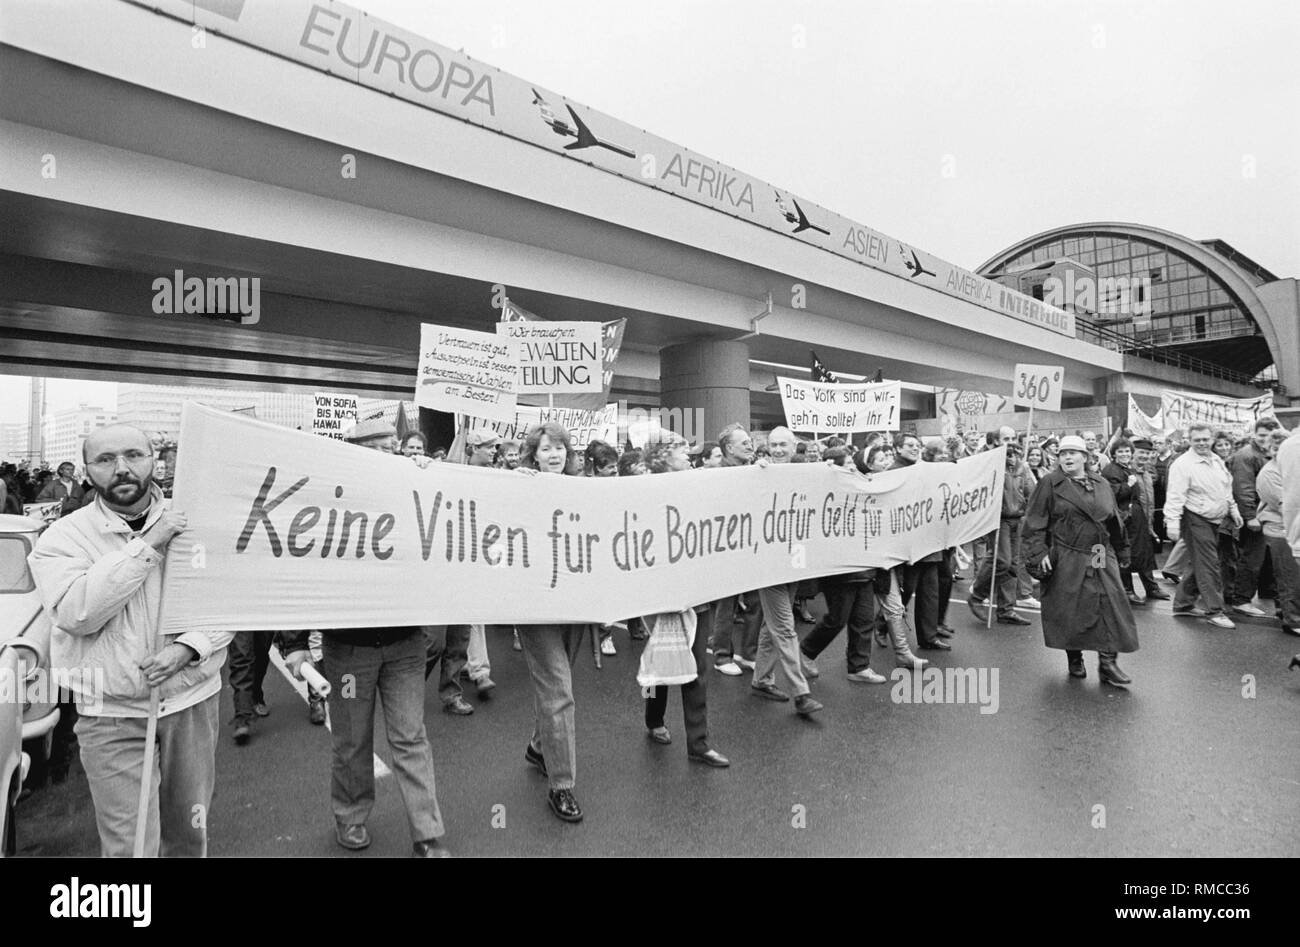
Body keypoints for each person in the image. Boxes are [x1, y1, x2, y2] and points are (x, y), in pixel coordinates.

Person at [28, 424, 227, 857]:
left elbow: (230, 601)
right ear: (86, 470)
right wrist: (148, 545)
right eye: (105, 460)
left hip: (190, 703)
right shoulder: (62, 537)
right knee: (129, 845)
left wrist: (190, 647)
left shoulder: (195, 521)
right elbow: (76, 612)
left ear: (153, 459)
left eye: (134, 455)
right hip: (111, 714)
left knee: (189, 834)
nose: (122, 468)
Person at [281, 417, 449, 856]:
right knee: (352, 741)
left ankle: (428, 834)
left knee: (411, 738)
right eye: (377, 446)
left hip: (405, 647)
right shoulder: (327, 504)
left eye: (392, 445)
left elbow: (462, 523)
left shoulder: (416, 493)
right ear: (352, 449)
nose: (389, 453)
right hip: (350, 651)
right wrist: (295, 641)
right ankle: (350, 817)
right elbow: (303, 570)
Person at [513, 422, 588, 823]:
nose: (554, 454)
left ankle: (539, 747)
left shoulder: (584, 488)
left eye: (560, 447)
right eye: (545, 449)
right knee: (559, 690)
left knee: (559, 687)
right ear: (533, 455)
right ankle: (562, 785)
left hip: (573, 603)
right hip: (535, 604)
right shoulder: (518, 485)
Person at [639, 440, 730, 766]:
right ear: (663, 459)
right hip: (659, 595)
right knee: (656, 668)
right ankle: (653, 719)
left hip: (695, 593)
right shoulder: (641, 493)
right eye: (682, 453)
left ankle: (699, 743)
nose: (689, 457)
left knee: (696, 669)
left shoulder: (699, 485)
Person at [1023, 435, 1139, 686]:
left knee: (1109, 602)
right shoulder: (1049, 483)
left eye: (1073, 453)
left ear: (1085, 457)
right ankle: (1074, 657)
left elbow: (1113, 519)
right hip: (1067, 553)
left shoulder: (1100, 482)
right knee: (1070, 608)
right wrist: (1038, 553)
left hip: (1098, 551)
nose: (1067, 457)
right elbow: (1035, 521)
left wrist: (1122, 550)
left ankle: (1108, 663)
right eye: (1063, 453)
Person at [749, 427, 822, 716]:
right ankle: (801, 693)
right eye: (773, 445)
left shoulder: (805, 472)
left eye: (783, 445)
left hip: (794, 558)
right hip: (767, 563)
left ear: (794, 447)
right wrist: (756, 471)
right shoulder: (758, 472)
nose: (778, 449)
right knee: (784, 627)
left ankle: (761, 679)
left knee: (773, 626)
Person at [1163, 423, 1244, 629]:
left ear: (1212, 440)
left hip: (1213, 518)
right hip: (1194, 518)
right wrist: (1172, 523)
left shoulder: (1216, 460)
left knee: (1199, 561)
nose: (1201, 443)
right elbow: (1175, 495)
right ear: (1189, 441)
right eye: (1197, 439)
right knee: (1209, 563)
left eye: (1205, 439)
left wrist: (1233, 509)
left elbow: (1225, 488)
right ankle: (1214, 610)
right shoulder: (1182, 465)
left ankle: (1183, 603)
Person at [855, 445, 928, 669]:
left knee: (894, 606)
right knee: (845, 617)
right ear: (869, 466)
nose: (888, 462)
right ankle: (810, 654)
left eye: (888, 457)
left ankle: (903, 654)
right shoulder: (857, 489)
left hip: (886, 561)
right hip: (861, 563)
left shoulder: (892, 487)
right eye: (881, 459)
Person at [710, 423, 763, 676]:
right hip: (726, 549)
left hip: (750, 546)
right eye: (744, 442)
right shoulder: (715, 475)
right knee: (726, 605)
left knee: (755, 601)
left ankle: (749, 654)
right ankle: (722, 656)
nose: (750, 445)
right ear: (729, 448)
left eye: (750, 441)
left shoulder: (754, 471)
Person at [968, 442, 1034, 625]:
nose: (1011, 457)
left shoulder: (1023, 469)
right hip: (999, 520)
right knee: (1002, 560)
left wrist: (1026, 473)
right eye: (1008, 453)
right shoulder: (993, 468)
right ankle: (977, 595)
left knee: (1013, 565)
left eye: (1015, 453)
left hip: (1017, 520)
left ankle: (1006, 609)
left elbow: (1031, 493)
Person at [893, 432, 947, 650]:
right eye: (909, 445)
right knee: (907, 590)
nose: (915, 448)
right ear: (898, 448)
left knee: (930, 591)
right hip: (909, 542)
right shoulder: (893, 472)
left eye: (917, 445)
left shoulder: (924, 468)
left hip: (929, 538)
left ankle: (928, 637)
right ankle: (882, 622)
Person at [1226, 418, 1281, 618]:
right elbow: (1243, 488)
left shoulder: (1267, 454)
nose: (1265, 439)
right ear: (1255, 434)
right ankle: (1241, 599)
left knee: (1267, 559)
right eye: (1262, 435)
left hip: (1266, 514)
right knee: (1251, 558)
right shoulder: (1246, 455)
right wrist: (1250, 516)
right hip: (1255, 515)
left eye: (1269, 435)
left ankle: (1266, 593)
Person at [1256, 427, 1300, 635]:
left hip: (1290, 528)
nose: (1278, 450)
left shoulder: (1288, 468)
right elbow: (1285, 504)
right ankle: (1293, 620)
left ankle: (1287, 612)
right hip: (1280, 530)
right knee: (1289, 578)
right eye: (1274, 447)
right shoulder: (1269, 473)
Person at [1121, 438, 1169, 602]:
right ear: (1132, 453)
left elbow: (1149, 502)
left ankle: (1151, 588)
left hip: (1145, 523)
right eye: (1141, 452)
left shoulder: (1147, 474)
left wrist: (1150, 524)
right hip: (1130, 523)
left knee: (1146, 556)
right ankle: (1128, 590)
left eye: (1147, 453)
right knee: (1129, 556)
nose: (1144, 456)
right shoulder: (1127, 473)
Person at [227, 630, 272, 744]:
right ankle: (242, 717)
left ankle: (256, 695)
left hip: (263, 615)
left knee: (261, 653)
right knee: (241, 657)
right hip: (238, 615)